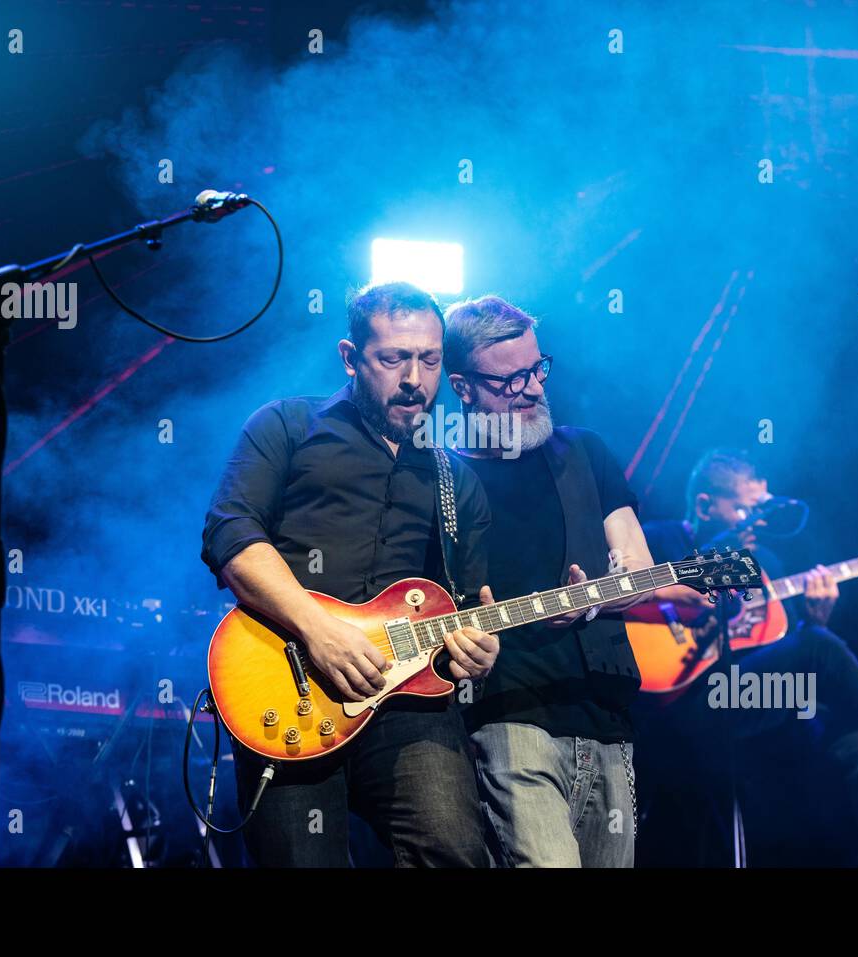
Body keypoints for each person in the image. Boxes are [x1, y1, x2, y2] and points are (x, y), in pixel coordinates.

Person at [201, 281, 499, 867]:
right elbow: (230, 534)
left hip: (410, 702)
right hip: (290, 684)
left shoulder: (455, 480)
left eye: (430, 359)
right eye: (394, 359)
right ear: (350, 357)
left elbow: (465, 607)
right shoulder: (286, 425)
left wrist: (477, 650)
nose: (415, 377)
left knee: (454, 851)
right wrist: (318, 629)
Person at [638, 449, 858, 867]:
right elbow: (624, 595)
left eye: (764, 508)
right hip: (689, 702)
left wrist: (816, 619)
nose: (762, 520)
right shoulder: (657, 540)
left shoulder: (765, 564)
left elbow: (786, 650)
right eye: (747, 509)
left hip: (755, 697)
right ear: (705, 505)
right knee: (818, 647)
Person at [441, 295, 692, 867]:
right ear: (462, 386)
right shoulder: (442, 477)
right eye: (511, 380)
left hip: (604, 711)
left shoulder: (585, 451)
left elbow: (637, 567)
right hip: (509, 715)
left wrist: (601, 593)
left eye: (538, 369)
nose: (532, 388)